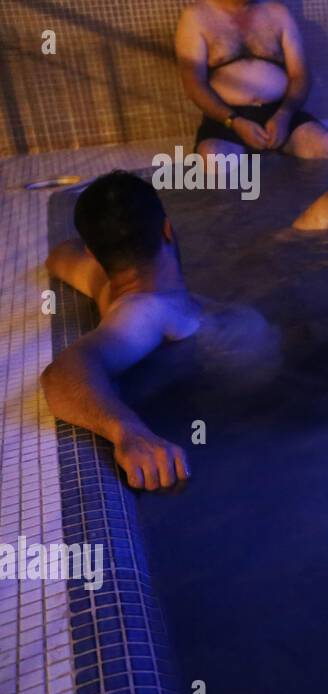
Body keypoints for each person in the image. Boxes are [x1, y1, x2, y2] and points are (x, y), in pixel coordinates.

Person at [41, 171, 275, 490]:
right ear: (167, 229)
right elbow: (62, 373)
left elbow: (59, 256)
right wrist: (129, 431)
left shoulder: (104, 284)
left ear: (93, 254)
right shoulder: (146, 311)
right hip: (240, 432)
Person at [176, 0, 328, 158]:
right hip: (226, 120)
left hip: (280, 114)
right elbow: (194, 85)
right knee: (216, 164)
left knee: (326, 148)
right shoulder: (196, 17)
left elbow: (300, 75)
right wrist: (234, 121)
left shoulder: (277, 14)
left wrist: (284, 114)